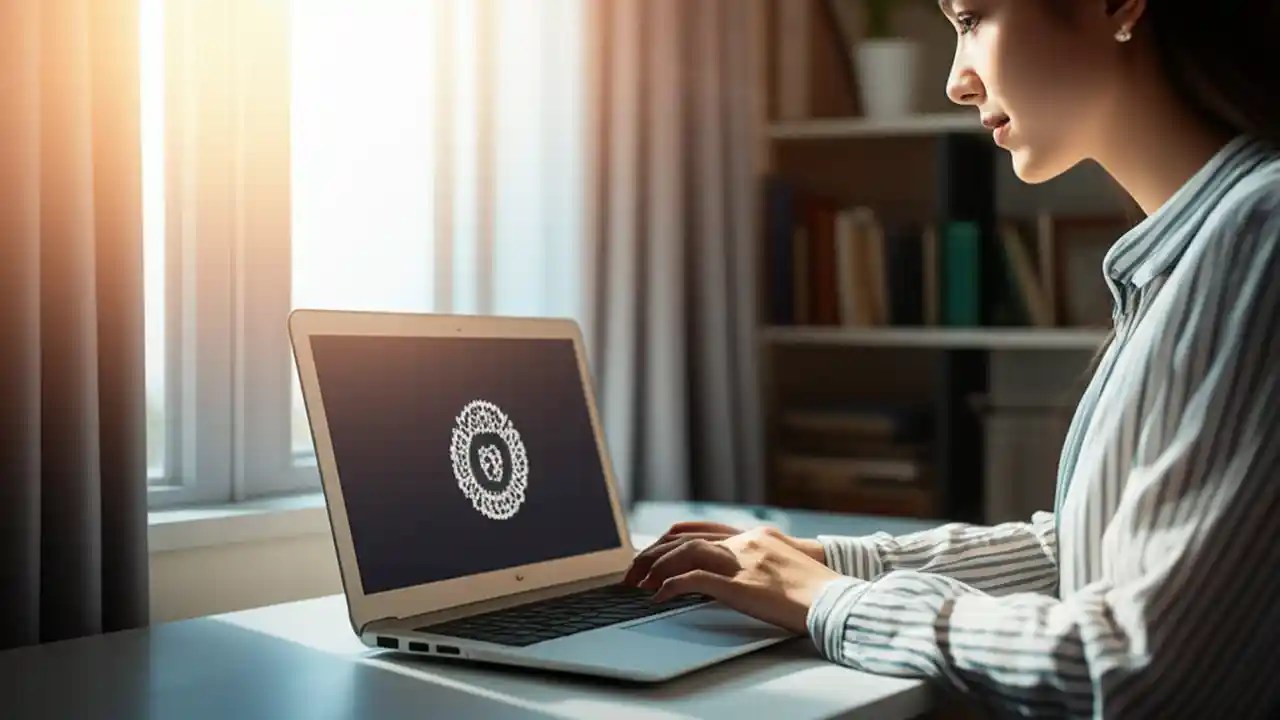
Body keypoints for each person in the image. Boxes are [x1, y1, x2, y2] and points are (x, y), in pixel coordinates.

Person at [624, 0, 1280, 716]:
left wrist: (833, 602)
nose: (957, 82)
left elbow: (1136, 665)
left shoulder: (1258, 234)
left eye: (970, 19)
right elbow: (1087, 550)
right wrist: (825, 561)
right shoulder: (1189, 256)